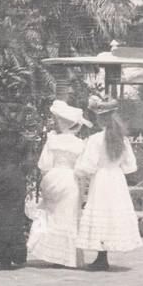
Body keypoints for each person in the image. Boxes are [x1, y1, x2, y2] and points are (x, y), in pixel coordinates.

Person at [74, 96, 142, 271]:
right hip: (117, 179)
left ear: (100, 118)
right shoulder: (122, 139)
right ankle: (103, 257)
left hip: (102, 179)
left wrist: (78, 172)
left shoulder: (96, 139)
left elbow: (88, 165)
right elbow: (130, 166)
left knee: (101, 213)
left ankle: (101, 257)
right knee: (112, 215)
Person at [27, 99, 87, 268]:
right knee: (67, 216)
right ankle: (65, 256)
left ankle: (52, 254)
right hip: (70, 178)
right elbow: (82, 168)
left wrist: (47, 179)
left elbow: (44, 164)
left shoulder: (53, 140)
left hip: (53, 177)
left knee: (51, 215)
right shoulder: (80, 144)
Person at [0, 99, 33, 269]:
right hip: (16, 180)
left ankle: (2, 255)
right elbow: (29, 163)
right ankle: (15, 254)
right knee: (15, 217)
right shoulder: (24, 141)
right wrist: (18, 173)